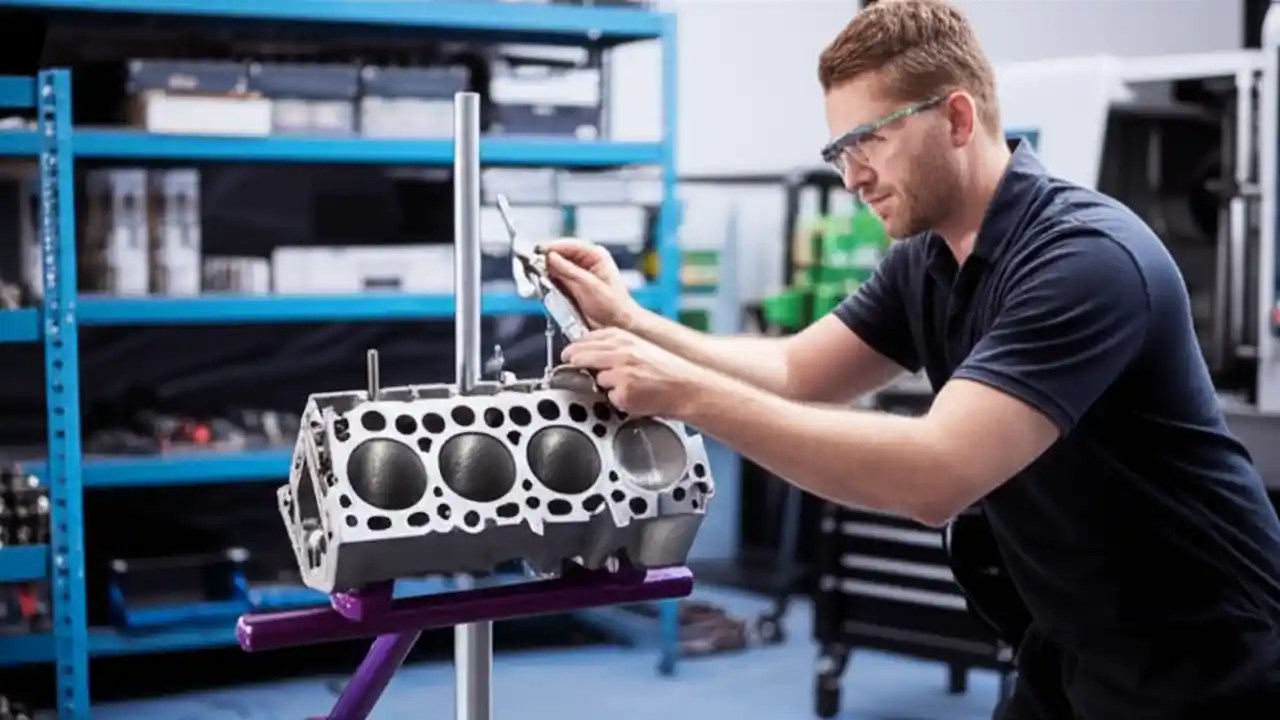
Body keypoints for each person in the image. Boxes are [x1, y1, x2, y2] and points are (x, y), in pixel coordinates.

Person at [541, 0, 1280, 717]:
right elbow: (799, 372)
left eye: (870, 140)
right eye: (840, 152)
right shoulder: (930, 260)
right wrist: (631, 320)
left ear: (957, 118)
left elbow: (936, 474)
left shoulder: (1085, 260)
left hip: (1211, 654)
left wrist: (684, 393)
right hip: (1075, 639)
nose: (852, 177)